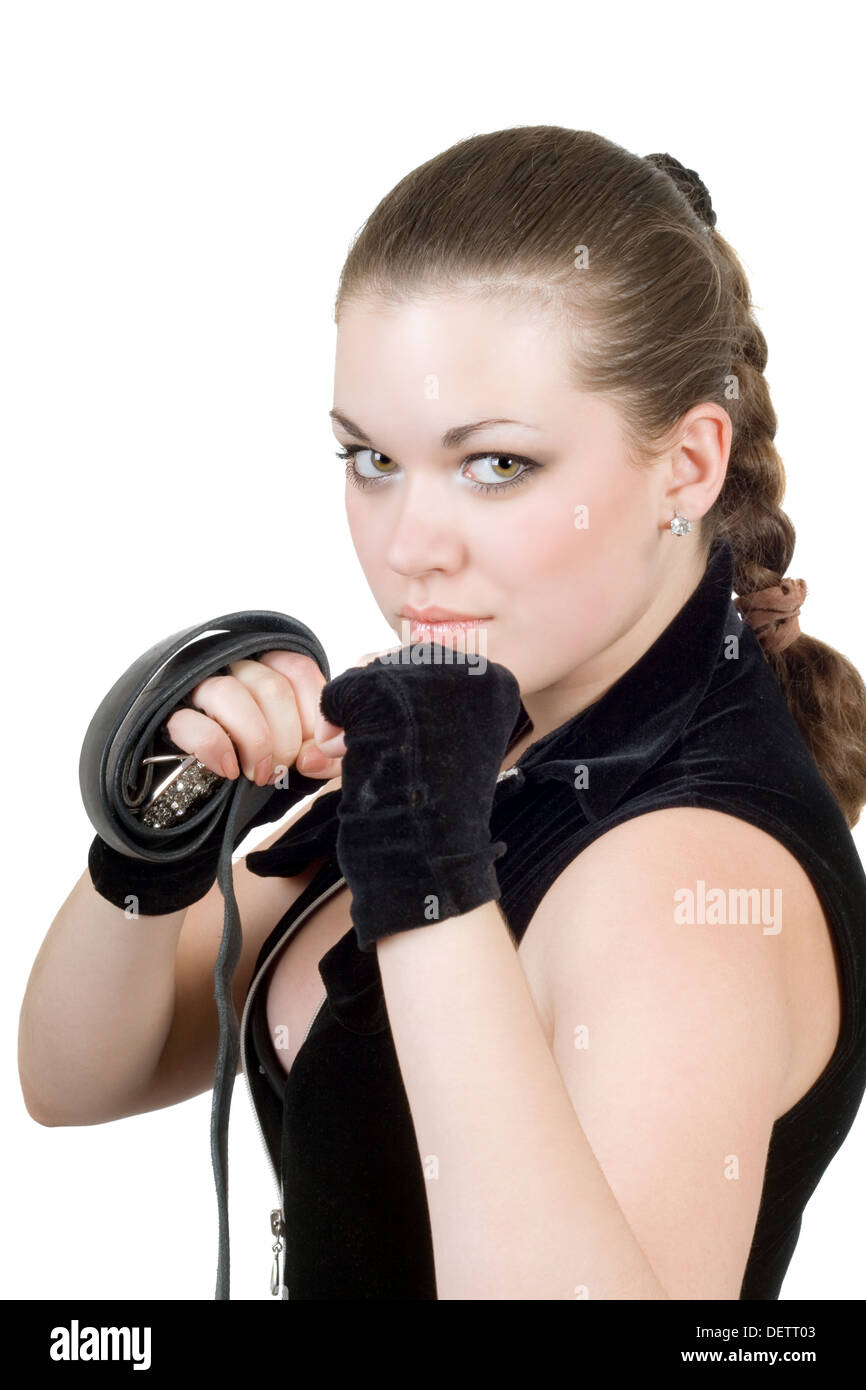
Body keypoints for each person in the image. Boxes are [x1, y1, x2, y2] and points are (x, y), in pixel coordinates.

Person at [20, 126, 866, 1301]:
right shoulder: (503, 723)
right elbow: (77, 1080)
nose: (409, 548)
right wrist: (161, 842)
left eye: (497, 466)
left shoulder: (680, 884)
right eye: (370, 459)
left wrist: (423, 863)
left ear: (685, 466)